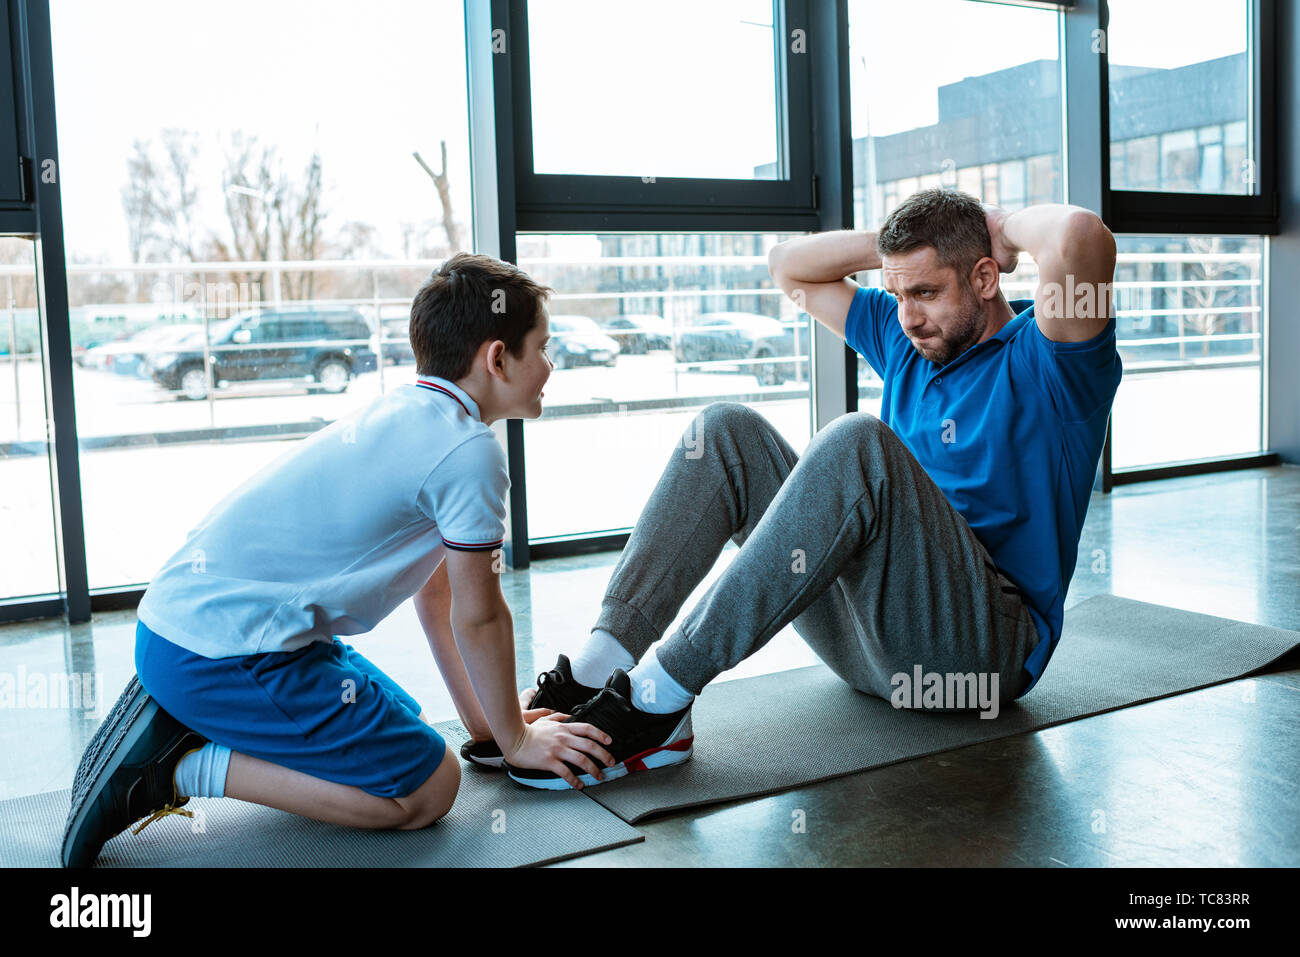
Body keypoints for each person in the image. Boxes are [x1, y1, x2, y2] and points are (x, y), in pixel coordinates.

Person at [497, 188, 1123, 790]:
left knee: (859, 441)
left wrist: (1000, 226)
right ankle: (597, 667)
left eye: (927, 292)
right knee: (725, 432)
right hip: (871, 649)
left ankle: (658, 700)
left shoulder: (1054, 361)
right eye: (896, 291)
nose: (908, 317)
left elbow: (1079, 235)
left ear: (986, 279)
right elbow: (788, 268)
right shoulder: (911, 340)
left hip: (979, 656)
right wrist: (899, 248)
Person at [61, 253, 617, 868]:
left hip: (182, 633)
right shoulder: (469, 453)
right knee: (429, 789)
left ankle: (185, 719)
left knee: (413, 732)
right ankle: (175, 768)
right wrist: (517, 741)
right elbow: (479, 617)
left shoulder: (407, 414)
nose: (550, 365)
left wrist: (490, 728)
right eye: (542, 346)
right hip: (220, 656)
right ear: (496, 358)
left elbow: (439, 595)